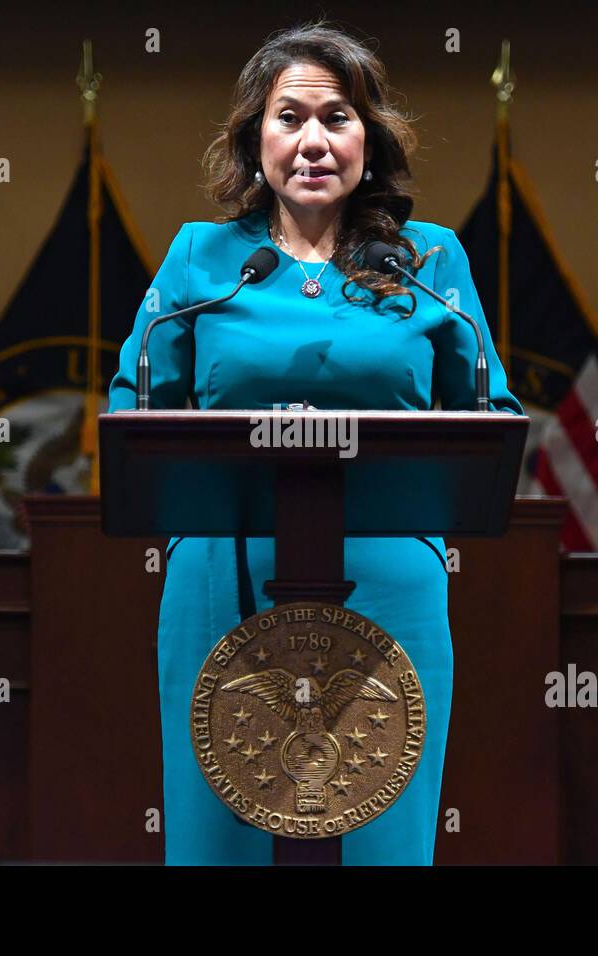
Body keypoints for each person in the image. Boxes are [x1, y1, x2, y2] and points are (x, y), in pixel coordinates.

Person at [107, 20, 523, 865]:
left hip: (389, 579)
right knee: (224, 830)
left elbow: (490, 410)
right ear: (253, 137)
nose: (312, 141)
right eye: (289, 117)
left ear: (369, 138)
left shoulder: (426, 259)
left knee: (376, 824)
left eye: (336, 118)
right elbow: (134, 404)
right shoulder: (204, 257)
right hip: (226, 574)